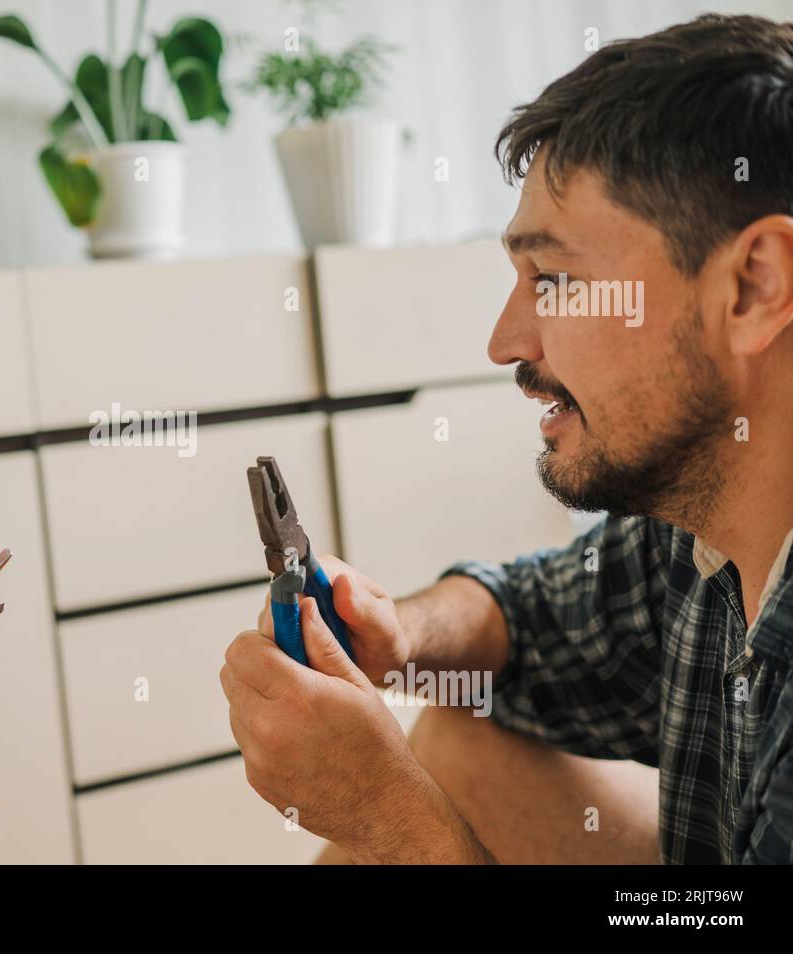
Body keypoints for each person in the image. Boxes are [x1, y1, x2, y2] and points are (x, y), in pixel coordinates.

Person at [222, 13, 793, 864]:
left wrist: (387, 815)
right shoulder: (706, 535)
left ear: (753, 287)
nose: (506, 342)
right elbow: (530, 613)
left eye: (554, 279)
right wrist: (401, 631)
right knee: (461, 751)